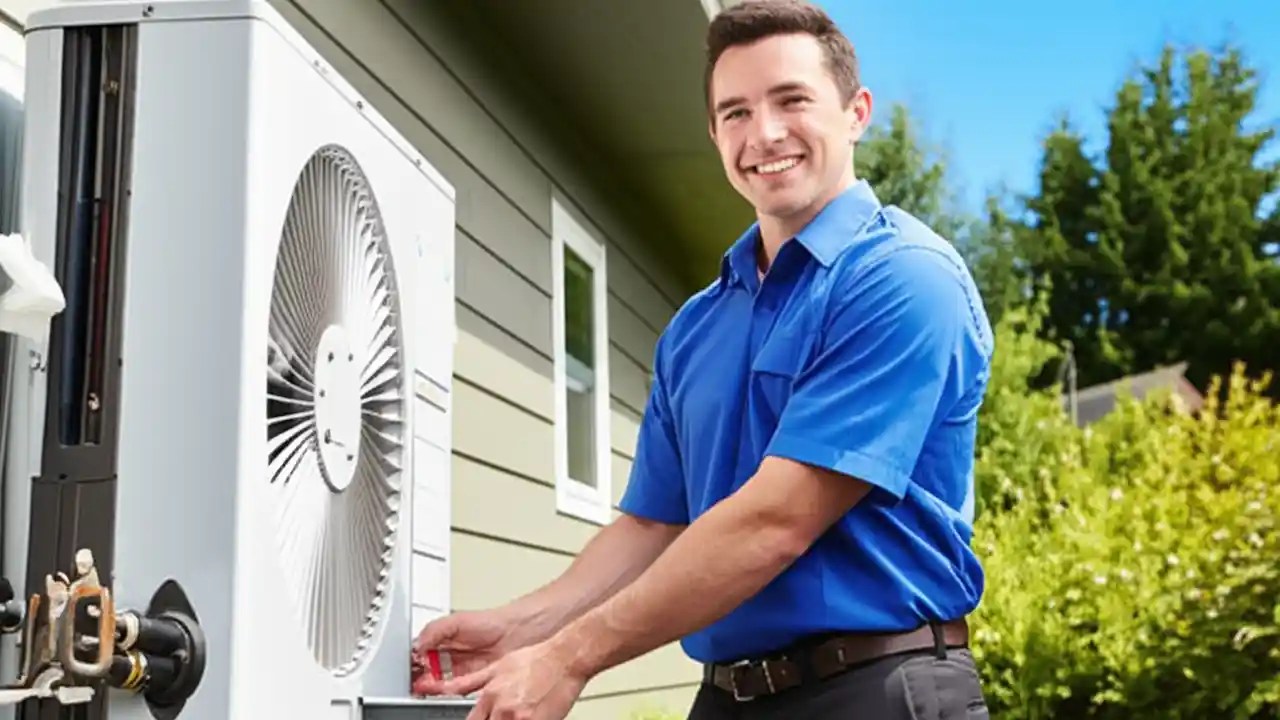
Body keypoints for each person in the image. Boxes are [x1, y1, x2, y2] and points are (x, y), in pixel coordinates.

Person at [411, 1, 994, 717]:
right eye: (736, 112)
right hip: (726, 696)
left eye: (792, 100)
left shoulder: (904, 278)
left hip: (875, 688)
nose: (764, 133)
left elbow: (775, 521)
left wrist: (569, 658)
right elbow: (654, 525)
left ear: (856, 112)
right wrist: (523, 630)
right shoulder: (696, 327)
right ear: (715, 133)